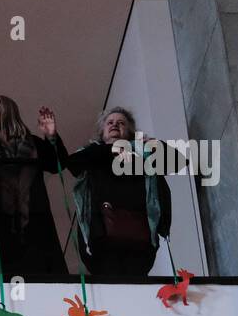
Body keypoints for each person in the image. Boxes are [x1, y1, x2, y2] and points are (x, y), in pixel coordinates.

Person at [0, 95, 68, 276]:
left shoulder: (33, 142)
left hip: (32, 225)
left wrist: (51, 136)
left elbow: (57, 164)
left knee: (37, 273)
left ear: (6, 111)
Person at [66, 107, 174, 276]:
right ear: (102, 132)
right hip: (100, 238)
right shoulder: (93, 153)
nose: (115, 125)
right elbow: (73, 163)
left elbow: (174, 161)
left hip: (140, 238)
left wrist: (151, 146)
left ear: (130, 131)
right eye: (110, 123)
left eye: (121, 123)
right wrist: (115, 148)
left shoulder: (140, 152)